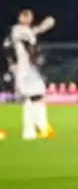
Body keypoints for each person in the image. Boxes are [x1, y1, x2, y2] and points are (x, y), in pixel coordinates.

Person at [10, 9, 56, 140]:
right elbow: (30, 41)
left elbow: (32, 34)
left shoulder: (26, 31)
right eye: (24, 16)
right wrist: (43, 27)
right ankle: (30, 131)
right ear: (20, 18)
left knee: (38, 96)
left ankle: (41, 127)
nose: (27, 18)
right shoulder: (18, 30)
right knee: (31, 98)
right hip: (24, 69)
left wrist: (42, 28)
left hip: (31, 68)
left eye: (28, 16)